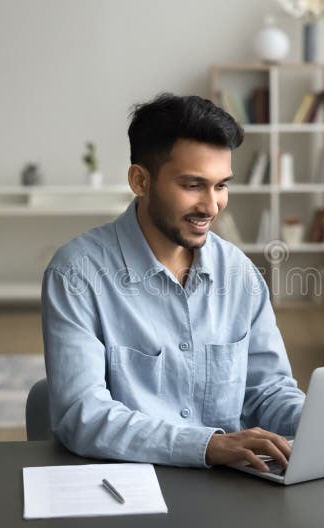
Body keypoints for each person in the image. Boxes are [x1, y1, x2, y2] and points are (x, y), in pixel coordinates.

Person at [41, 93, 305, 472]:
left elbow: (267, 392)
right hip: (128, 488)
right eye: (193, 185)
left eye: (221, 186)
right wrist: (206, 446)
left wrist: (323, 424)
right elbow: (83, 415)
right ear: (140, 180)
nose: (211, 206)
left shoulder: (239, 272)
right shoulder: (76, 274)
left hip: (229, 491)